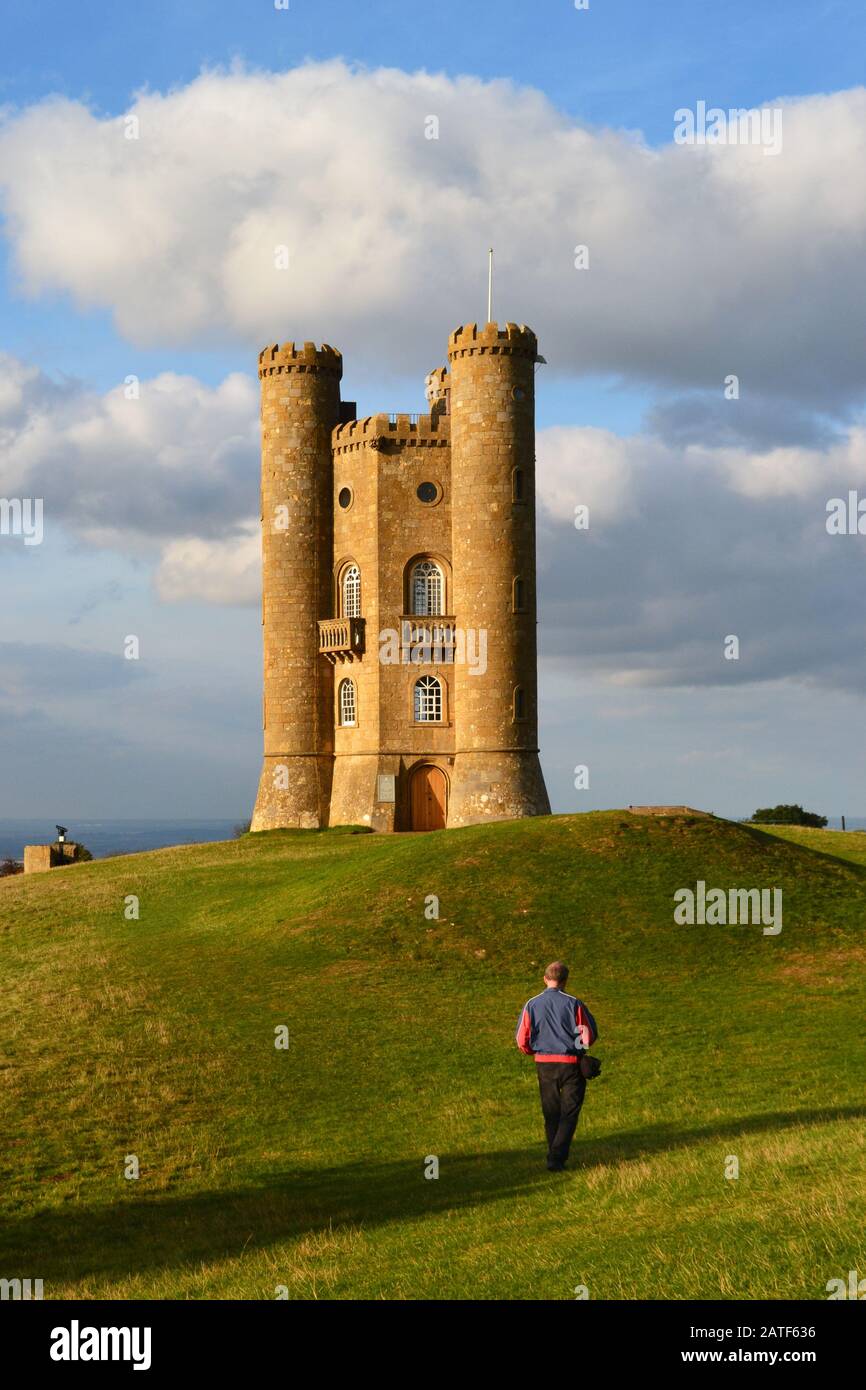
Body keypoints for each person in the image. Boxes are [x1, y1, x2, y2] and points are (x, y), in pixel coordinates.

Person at [515, 961, 599, 1171]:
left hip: (544, 1064)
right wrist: (579, 1048)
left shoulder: (532, 1004)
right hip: (570, 1063)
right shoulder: (574, 1003)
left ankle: (554, 1156)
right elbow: (587, 1034)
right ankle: (556, 1157)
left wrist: (533, 1051)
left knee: (551, 1112)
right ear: (565, 980)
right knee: (569, 1112)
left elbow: (521, 1038)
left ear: (545, 979)